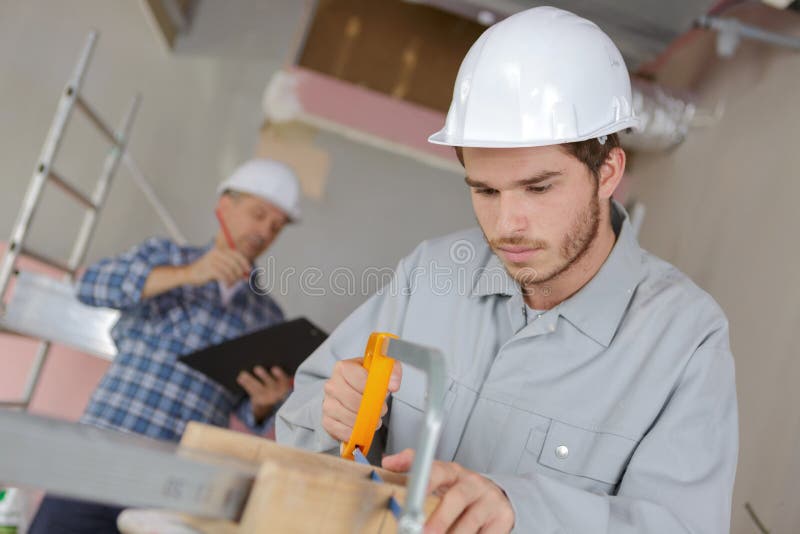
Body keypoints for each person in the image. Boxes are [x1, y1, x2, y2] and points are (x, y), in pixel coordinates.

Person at [277, 7, 738, 534]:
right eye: (485, 191)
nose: (507, 225)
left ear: (606, 172)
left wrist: (517, 508)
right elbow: (298, 426)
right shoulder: (431, 272)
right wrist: (331, 414)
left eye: (538, 188)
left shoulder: (685, 340)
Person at [29, 158, 300, 533]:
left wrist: (265, 403)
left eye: (276, 225)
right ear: (225, 205)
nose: (265, 231)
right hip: (96, 457)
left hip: (175, 483)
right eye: (258, 214)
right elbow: (89, 286)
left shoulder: (267, 315)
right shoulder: (164, 256)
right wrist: (189, 274)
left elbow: (252, 419)